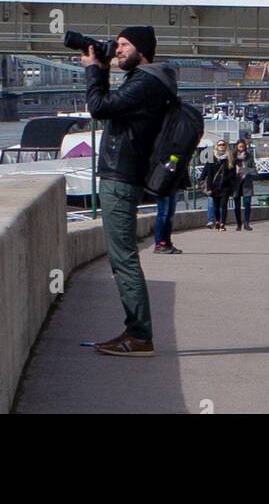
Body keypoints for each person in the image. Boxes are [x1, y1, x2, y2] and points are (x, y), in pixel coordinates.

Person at [80, 24, 177, 357]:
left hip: (121, 178)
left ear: (142, 50)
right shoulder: (147, 81)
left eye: (124, 45)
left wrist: (94, 71)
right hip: (122, 175)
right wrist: (103, 71)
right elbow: (110, 105)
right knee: (123, 257)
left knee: (123, 258)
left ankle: (139, 336)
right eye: (117, 44)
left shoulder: (146, 82)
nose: (118, 49)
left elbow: (99, 108)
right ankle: (135, 332)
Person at [201, 140, 237, 229]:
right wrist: (209, 188)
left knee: (223, 205)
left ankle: (222, 223)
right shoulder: (212, 159)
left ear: (226, 146)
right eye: (219, 144)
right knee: (216, 206)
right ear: (216, 146)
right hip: (214, 187)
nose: (221, 146)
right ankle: (217, 221)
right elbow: (209, 175)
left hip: (225, 187)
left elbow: (233, 174)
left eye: (223, 144)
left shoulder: (229, 159)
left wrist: (228, 183)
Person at [232, 138, 257, 231]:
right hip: (236, 183)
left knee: (247, 203)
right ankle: (239, 224)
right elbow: (229, 168)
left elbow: (255, 170)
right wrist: (237, 160)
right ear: (236, 147)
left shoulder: (249, 156)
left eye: (243, 146)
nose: (241, 148)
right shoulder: (233, 156)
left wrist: (244, 170)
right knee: (237, 205)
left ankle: (246, 223)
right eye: (240, 146)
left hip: (247, 183)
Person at [153, 189, 181, 254]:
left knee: (170, 215)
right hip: (164, 184)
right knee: (163, 214)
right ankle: (159, 244)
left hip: (174, 184)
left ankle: (167, 243)